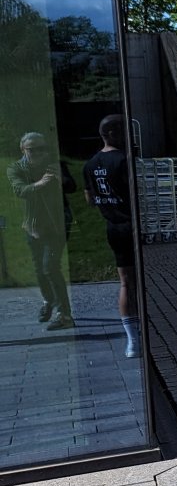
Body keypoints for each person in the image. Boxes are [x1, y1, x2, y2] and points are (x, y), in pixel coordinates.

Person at [82, 114, 140, 358]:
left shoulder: (90, 164)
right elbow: (138, 194)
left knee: (125, 282)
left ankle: (132, 342)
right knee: (143, 282)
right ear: (115, 133)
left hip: (112, 226)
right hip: (132, 225)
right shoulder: (124, 161)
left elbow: (90, 200)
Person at [7, 132, 76, 330]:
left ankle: (64, 314)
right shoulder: (17, 168)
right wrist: (40, 184)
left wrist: (61, 178)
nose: (38, 153)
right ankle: (49, 301)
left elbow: (72, 187)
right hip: (33, 225)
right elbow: (19, 190)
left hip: (57, 224)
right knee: (39, 269)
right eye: (32, 149)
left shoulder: (55, 164)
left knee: (50, 267)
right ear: (23, 150)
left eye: (41, 148)